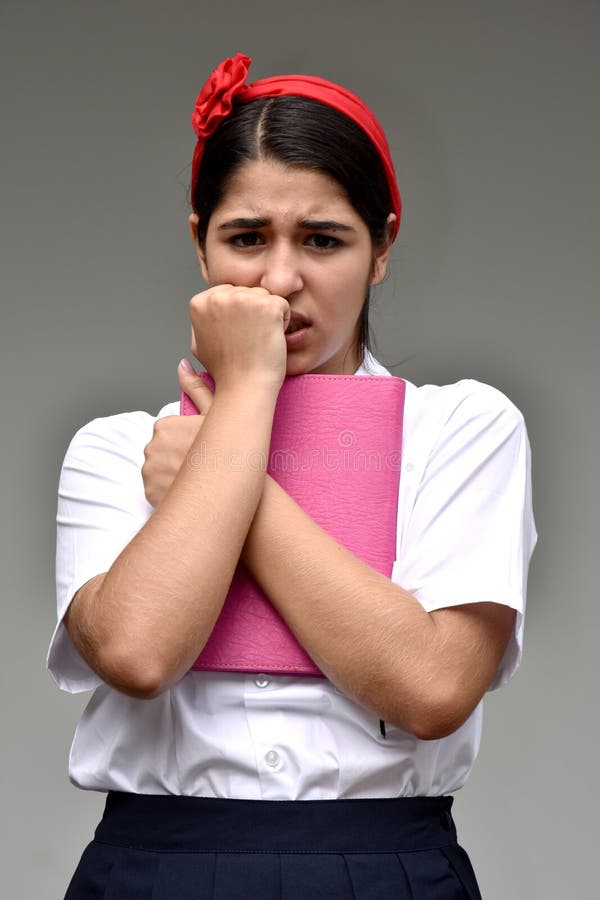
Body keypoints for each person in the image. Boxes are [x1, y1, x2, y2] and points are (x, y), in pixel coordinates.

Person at [48, 53, 536, 899]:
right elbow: (137, 652)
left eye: (323, 239)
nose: (279, 280)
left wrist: (221, 471)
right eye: (246, 238)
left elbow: (432, 689)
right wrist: (247, 393)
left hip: (384, 868)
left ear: (382, 249)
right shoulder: (117, 447)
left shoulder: (464, 427)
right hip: (157, 868)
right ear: (199, 243)